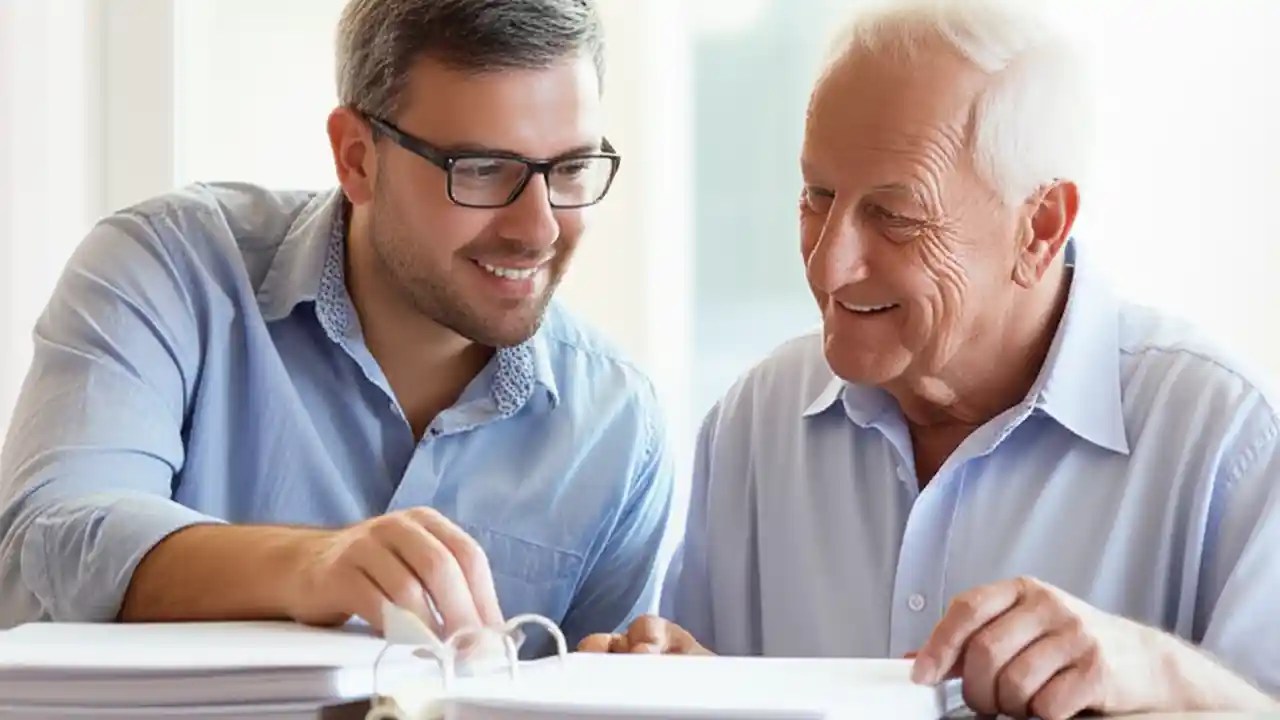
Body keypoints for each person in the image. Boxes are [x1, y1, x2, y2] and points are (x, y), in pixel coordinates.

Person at [580, 1, 1280, 717]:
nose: (829, 267)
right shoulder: (755, 424)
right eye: (816, 196)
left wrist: (1161, 674)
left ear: (1039, 228)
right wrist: (678, 691)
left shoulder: (1227, 441)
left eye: (894, 216)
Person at [0, 0, 674, 658]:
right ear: (356, 157)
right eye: (482, 170)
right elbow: (50, 545)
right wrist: (308, 566)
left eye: (571, 169)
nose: (539, 229)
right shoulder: (169, 269)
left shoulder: (617, 425)